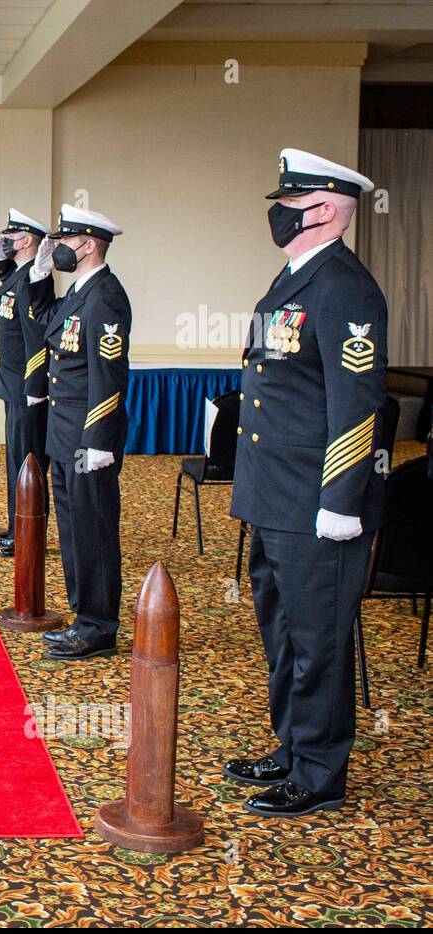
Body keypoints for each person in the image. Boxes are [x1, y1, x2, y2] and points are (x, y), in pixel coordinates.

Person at [225, 148, 388, 818]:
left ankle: (321, 770)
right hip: (275, 492)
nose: (277, 214)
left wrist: (340, 501)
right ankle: (294, 744)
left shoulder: (344, 286)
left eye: (288, 204)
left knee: (318, 636)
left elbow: (358, 402)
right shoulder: (292, 278)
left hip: (318, 500)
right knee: (284, 627)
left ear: (322, 211)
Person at [20, 204, 131, 661]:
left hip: (88, 437)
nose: (57, 247)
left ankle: (99, 626)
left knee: (94, 530)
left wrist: (99, 440)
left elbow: (110, 372)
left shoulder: (105, 296)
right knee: (72, 529)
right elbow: (41, 327)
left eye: (64, 241)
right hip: (65, 434)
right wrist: (40, 275)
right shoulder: (78, 292)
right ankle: (83, 615)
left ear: (87, 245)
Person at [0, 209, 54, 557]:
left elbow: (37, 339)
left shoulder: (34, 280)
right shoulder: (20, 275)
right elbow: (6, 299)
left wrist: (35, 387)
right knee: (17, 458)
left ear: (27, 240)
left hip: (26, 386)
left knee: (28, 460)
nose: (6, 242)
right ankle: (20, 528)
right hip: (12, 382)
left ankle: (29, 533)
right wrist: (2, 263)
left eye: (12, 237)